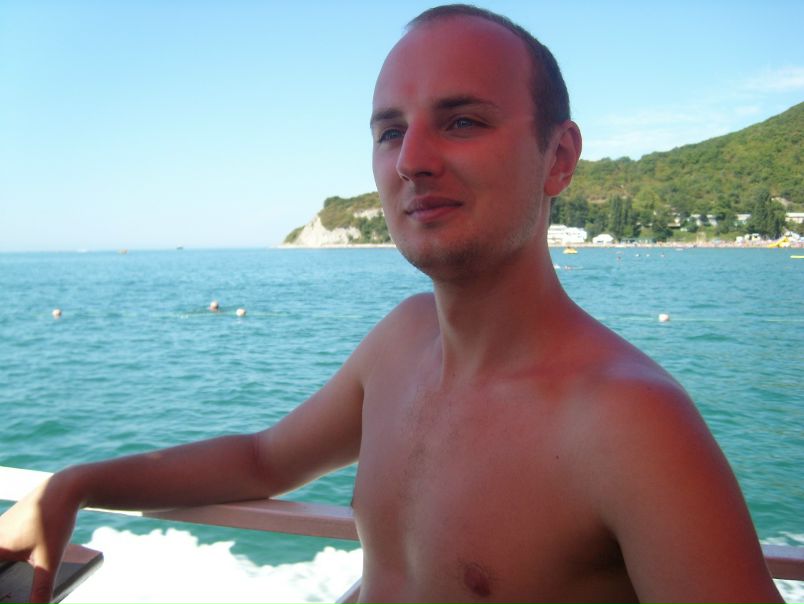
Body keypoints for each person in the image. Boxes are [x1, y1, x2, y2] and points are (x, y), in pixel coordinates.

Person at [0, 5, 782, 603]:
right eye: (389, 132)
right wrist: (73, 484)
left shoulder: (631, 424)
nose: (412, 160)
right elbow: (264, 459)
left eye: (462, 121)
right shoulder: (402, 343)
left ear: (559, 157)